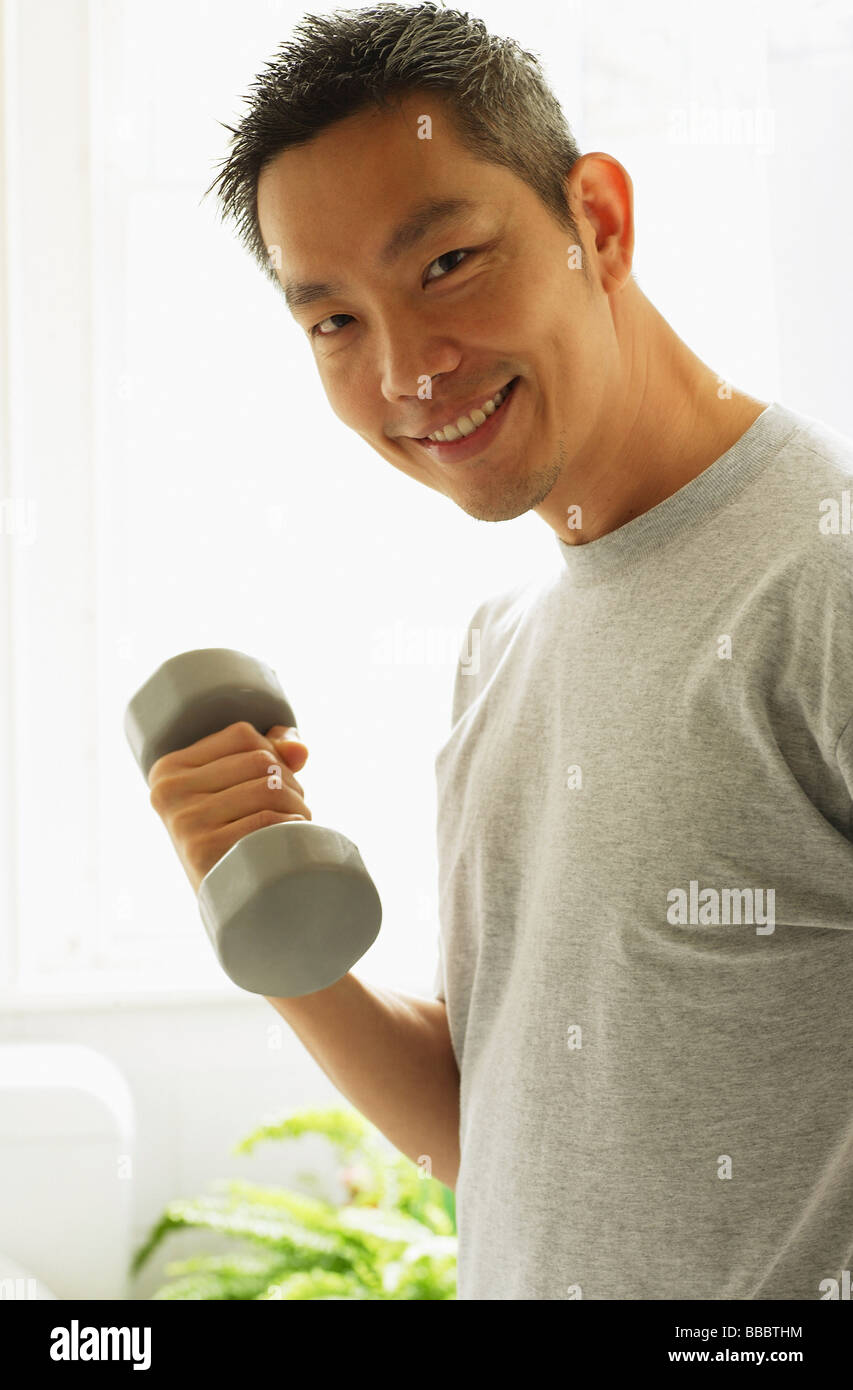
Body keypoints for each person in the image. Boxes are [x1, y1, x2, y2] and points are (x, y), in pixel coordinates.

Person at [193, 3, 853, 1299]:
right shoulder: (501, 647)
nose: (407, 369)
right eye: (332, 321)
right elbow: (484, 1131)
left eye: (445, 263)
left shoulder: (820, 583)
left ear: (594, 222)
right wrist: (255, 900)